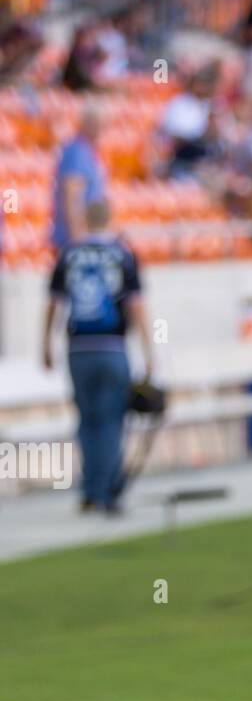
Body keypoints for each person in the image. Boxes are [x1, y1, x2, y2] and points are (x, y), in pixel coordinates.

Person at [43, 200, 152, 514]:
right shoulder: (123, 254)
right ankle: (109, 490)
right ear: (110, 219)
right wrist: (149, 351)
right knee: (111, 419)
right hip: (112, 347)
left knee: (87, 419)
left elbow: (53, 303)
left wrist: (45, 344)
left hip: (78, 348)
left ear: (86, 220)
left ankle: (90, 489)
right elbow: (136, 306)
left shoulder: (68, 253)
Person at [51, 101, 108, 252]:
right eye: (98, 124)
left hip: (89, 237)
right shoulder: (77, 151)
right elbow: (71, 195)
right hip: (75, 239)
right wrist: (77, 239)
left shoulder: (88, 151)